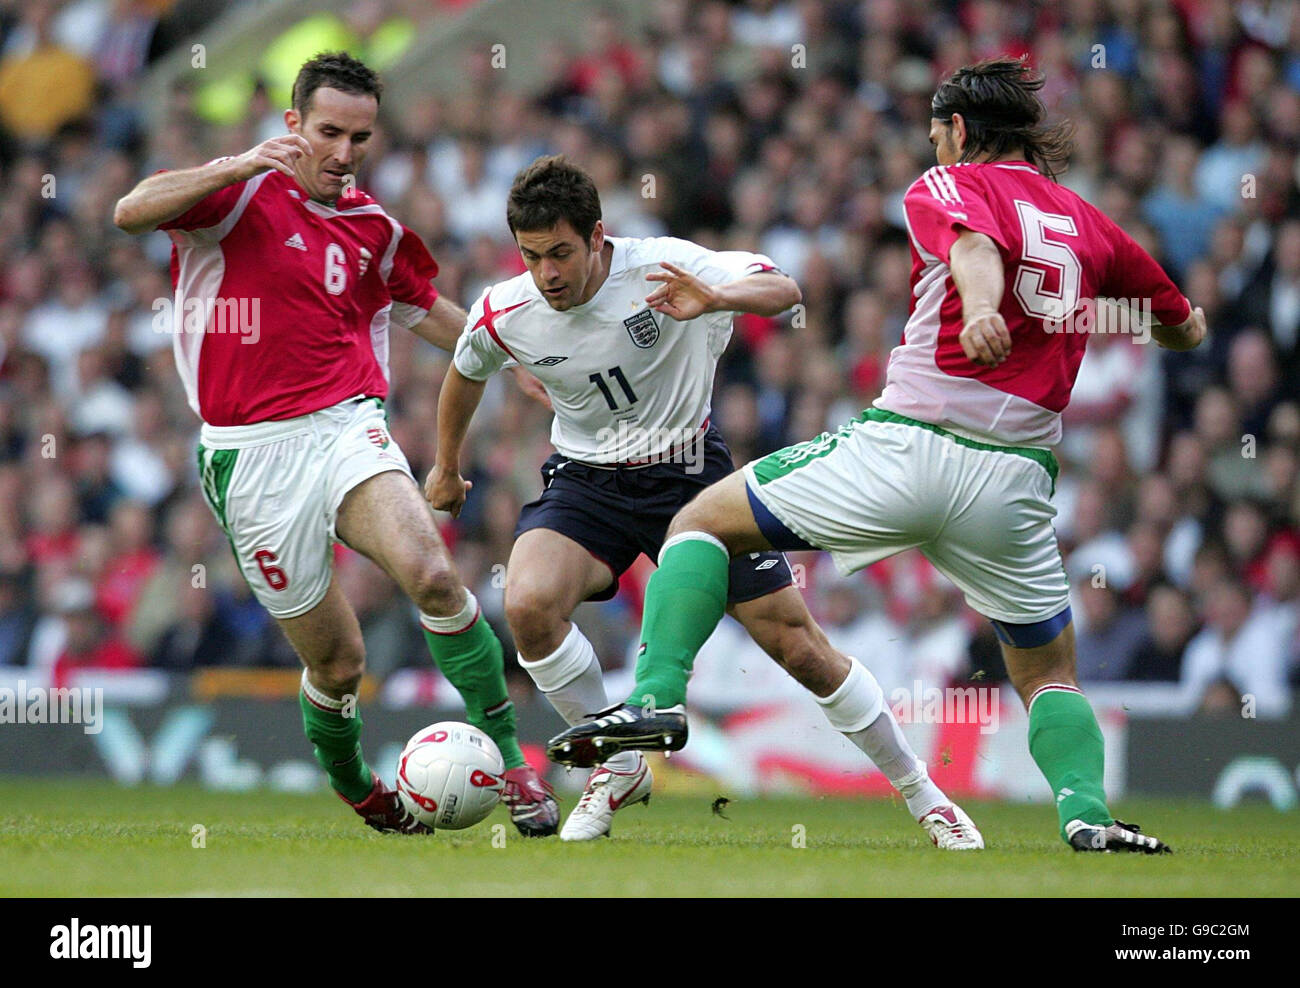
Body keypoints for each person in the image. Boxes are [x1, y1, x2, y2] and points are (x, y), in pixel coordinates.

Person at [551, 57, 1208, 854]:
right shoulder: (1090, 225)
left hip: (913, 446)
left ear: (959, 131)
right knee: (1047, 672)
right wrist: (1144, 321)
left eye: (938, 135)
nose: (935, 149)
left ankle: (656, 695)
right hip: (1018, 483)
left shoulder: (949, 185)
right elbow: (1183, 323)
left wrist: (982, 309)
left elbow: (972, 247)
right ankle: (1086, 813)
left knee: (700, 524)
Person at [426, 156, 981, 848]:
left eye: (561, 253)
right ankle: (620, 766)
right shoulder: (507, 309)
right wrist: (446, 466)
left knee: (798, 646)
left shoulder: (663, 267)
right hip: (586, 480)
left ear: (598, 236)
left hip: (690, 476)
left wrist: (716, 300)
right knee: (529, 605)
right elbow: (466, 370)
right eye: (533, 256)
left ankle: (923, 794)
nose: (548, 274)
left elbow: (783, 289)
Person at [113, 52, 558, 836]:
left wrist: (512, 362)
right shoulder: (236, 193)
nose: (345, 153)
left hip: (346, 424)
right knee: (338, 663)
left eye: (360, 137)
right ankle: (358, 788)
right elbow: (132, 210)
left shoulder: (372, 227)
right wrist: (236, 161)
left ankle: (514, 763)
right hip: (248, 455)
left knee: (431, 574)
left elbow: (423, 306)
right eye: (329, 133)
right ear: (292, 126)